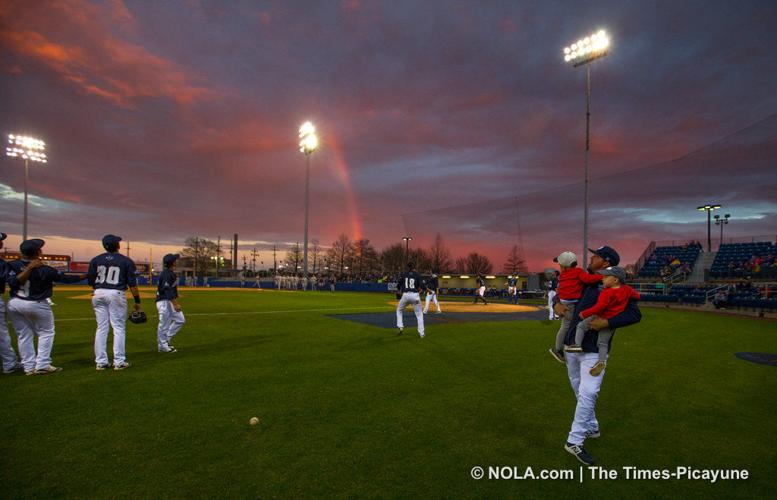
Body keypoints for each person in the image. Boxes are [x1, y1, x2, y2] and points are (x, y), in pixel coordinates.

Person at [553, 246, 641, 466]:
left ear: (606, 262)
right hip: (572, 345)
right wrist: (557, 304)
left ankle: (574, 441)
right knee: (578, 388)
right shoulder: (585, 279)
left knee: (589, 391)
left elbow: (635, 314)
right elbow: (561, 291)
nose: (591, 258)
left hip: (594, 349)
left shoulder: (619, 287)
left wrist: (609, 322)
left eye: (596, 256)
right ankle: (591, 426)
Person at [6, 239, 85, 375]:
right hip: (37, 303)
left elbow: (12, 282)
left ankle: (28, 366)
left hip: (15, 302)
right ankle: (42, 364)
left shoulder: (12, 265)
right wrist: (87, 275)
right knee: (46, 333)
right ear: (38, 252)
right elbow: (67, 279)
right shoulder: (45, 269)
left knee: (24, 335)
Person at [565, 266, 640, 377]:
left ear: (615, 280)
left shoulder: (606, 292)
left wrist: (585, 313)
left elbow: (599, 307)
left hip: (599, 316)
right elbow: (637, 296)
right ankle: (601, 362)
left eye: (605, 277)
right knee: (602, 342)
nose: (602, 279)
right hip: (611, 321)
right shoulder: (627, 289)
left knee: (581, 326)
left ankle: (577, 345)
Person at [87, 234, 142, 370]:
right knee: (118, 328)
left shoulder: (96, 260)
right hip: (115, 293)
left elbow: (90, 281)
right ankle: (119, 361)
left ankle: (101, 362)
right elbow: (132, 284)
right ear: (117, 246)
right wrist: (137, 301)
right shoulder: (125, 260)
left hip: (98, 293)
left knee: (101, 328)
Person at [549, 252, 603, 363]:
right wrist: (602, 276)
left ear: (564, 266)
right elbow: (588, 279)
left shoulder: (563, 275)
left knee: (566, 325)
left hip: (565, 302)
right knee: (567, 325)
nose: (559, 266)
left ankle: (561, 348)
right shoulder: (578, 272)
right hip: (569, 304)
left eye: (560, 264)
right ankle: (559, 349)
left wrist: (557, 302)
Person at [0, 232, 23, 374]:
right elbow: (11, 280)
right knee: (1, 334)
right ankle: (9, 364)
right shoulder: (1, 264)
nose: (2, 243)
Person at [156, 254, 184, 353]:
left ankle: (165, 340)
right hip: (164, 301)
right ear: (172, 263)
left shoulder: (169, 272)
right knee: (163, 325)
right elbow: (167, 289)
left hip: (168, 301)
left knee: (180, 320)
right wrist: (175, 303)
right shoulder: (167, 273)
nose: (177, 261)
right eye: (175, 260)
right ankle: (162, 346)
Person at [396, 261, 425, 337]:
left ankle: (400, 326)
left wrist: (398, 290)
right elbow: (421, 285)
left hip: (405, 295)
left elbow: (398, 285)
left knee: (399, 310)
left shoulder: (404, 274)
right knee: (419, 315)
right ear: (414, 267)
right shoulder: (417, 274)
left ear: (408, 267)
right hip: (415, 295)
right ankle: (421, 334)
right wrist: (425, 289)